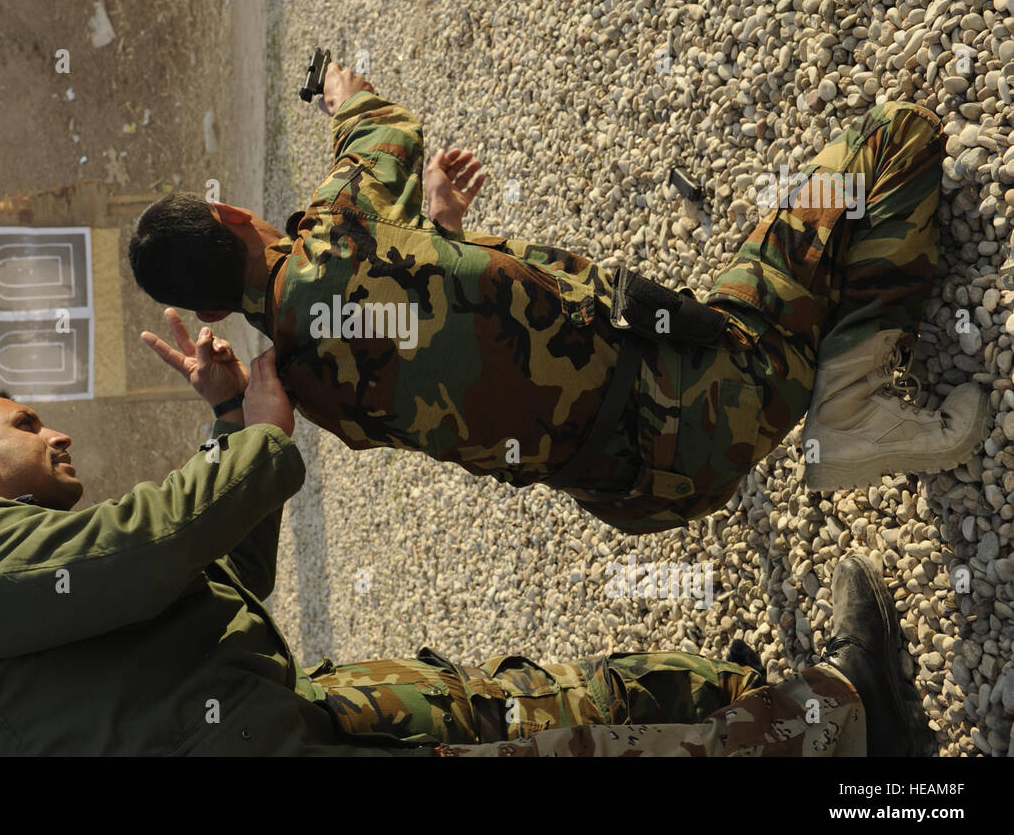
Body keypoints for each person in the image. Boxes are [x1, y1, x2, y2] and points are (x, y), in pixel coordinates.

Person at [0, 317, 929, 756]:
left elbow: (203, 578)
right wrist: (261, 443)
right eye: (25, 425)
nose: (53, 430)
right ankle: (849, 719)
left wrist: (223, 429)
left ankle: (765, 701)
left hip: (293, 724)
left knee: (530, 705)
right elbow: (135, 551)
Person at [127, 63, 987, 534]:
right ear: (233, 212)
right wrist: (341, 92)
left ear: (208, 314)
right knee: (889, 142)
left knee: (789, 280)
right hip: (716, 393)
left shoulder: (299, 387)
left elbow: (422, 353)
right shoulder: (334, 235)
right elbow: (387, 132)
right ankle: (848, 410)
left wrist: (443, 235)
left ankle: (819, 370)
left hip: (642, 496)